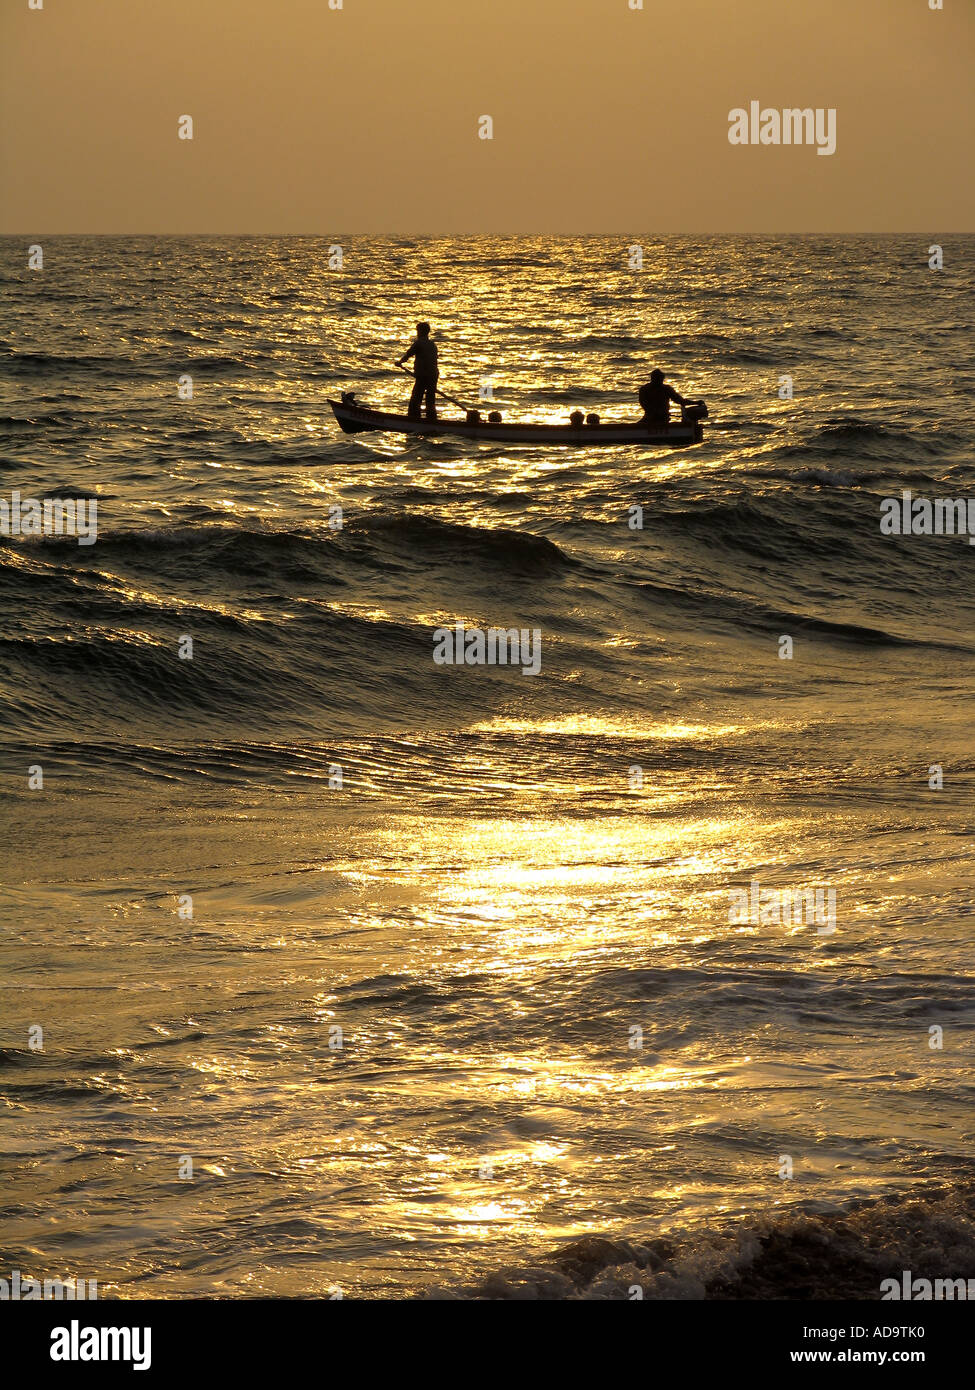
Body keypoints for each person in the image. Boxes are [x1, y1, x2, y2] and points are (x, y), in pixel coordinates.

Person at [396, 322, 439, 420]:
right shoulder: (432, 344)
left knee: (416, 398)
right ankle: (431, 419)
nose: (417, 333)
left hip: (424, 375)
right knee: (430, 399)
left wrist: (399, 362)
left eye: (418, 331)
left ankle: (413, 419)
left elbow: (408, 354)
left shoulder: (419, 343)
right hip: (433, 375)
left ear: (420, 331)